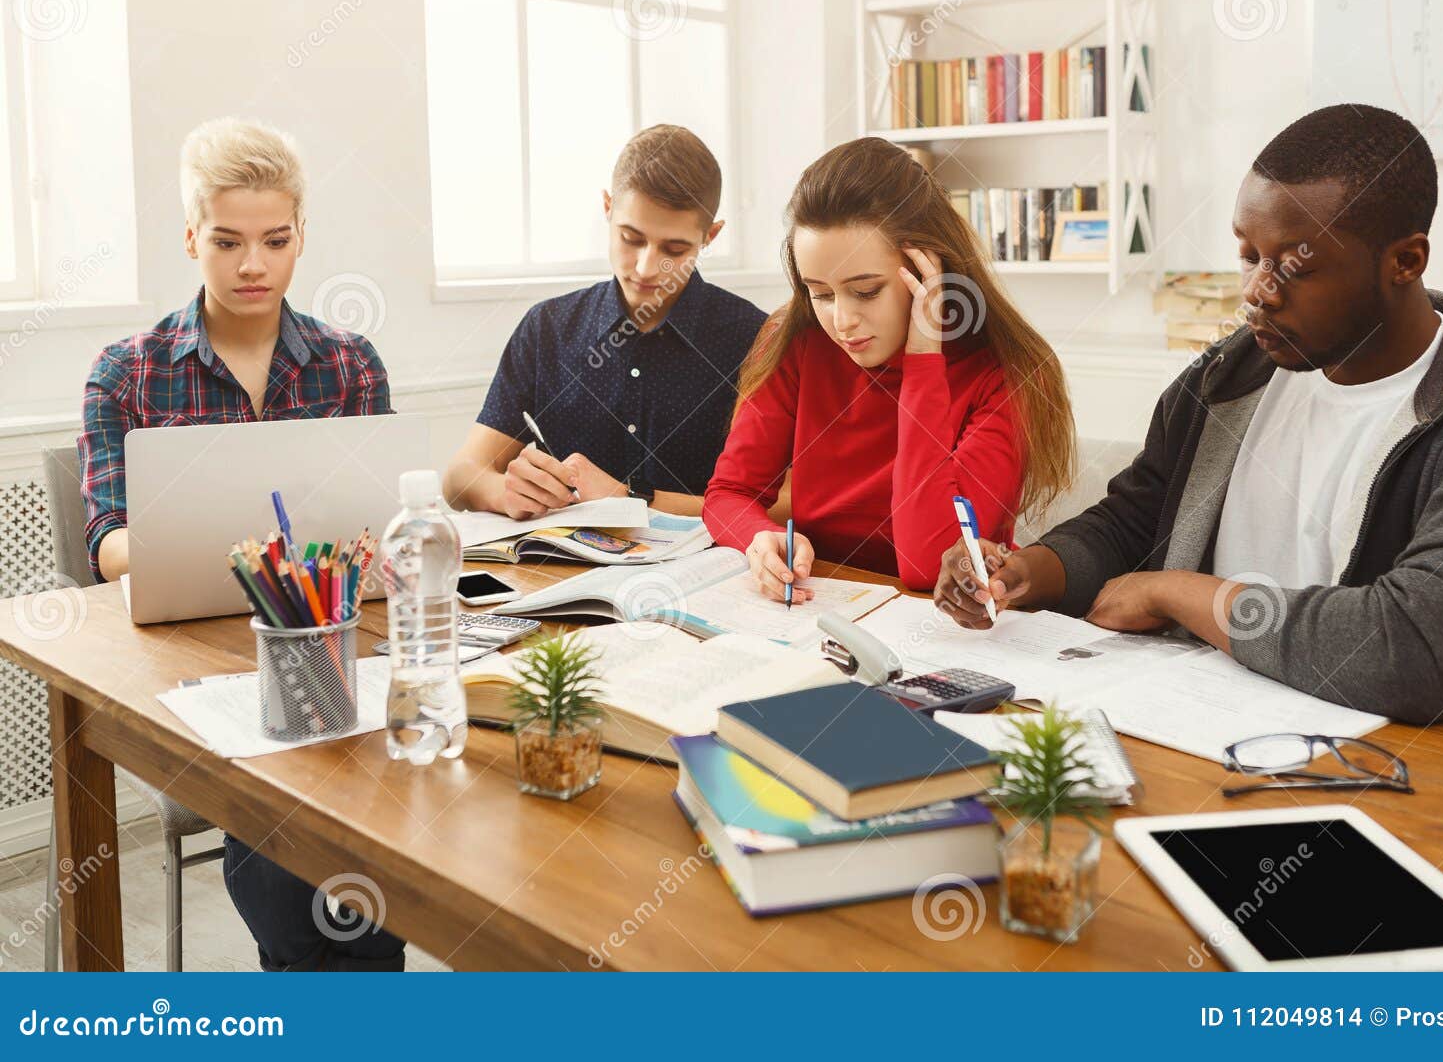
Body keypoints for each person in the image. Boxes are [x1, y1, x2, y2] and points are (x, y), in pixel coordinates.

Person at [933, 103, 1443, 725]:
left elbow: (1422, 652)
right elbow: (1135, 521)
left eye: (1294, 267)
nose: (1256, 292)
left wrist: (1180, 595)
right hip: (1200, 725)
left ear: (1405, 262)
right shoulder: (1231, 375)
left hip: (1411, 774)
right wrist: (1029, 572)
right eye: (1248, 255)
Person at [77, 117, 404, 970]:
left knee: (385, 803)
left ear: (302, 239)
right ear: (192, 238)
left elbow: (376, 525)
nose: (252, 264)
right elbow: (109, 542)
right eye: (227, 241)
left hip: (338, 648)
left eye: (275, 240)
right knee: (297, 837)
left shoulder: (351, 364)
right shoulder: (127, 372)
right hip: (197, 665)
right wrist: (211, 555)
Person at [703, 137, 1075, 597]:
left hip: (945, 621)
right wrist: (758, 539)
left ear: (925, 270)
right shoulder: (797, 340)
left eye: (865, 291)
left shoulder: (1008, 376)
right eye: (819, 293)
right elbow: (730, 493)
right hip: (827, 601)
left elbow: (926, 566)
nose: (842, 320)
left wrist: (923, 362)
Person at [444, 125, 766, 518]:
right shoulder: (547, 328)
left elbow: (782, 506)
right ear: (607, 207)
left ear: (710, 237)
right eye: (631, 238)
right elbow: (459, 478)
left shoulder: (753, 338)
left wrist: (631, 498)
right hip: (561, 571)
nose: (646, 268)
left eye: (675, 248)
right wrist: (503, 491)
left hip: (707, 572)